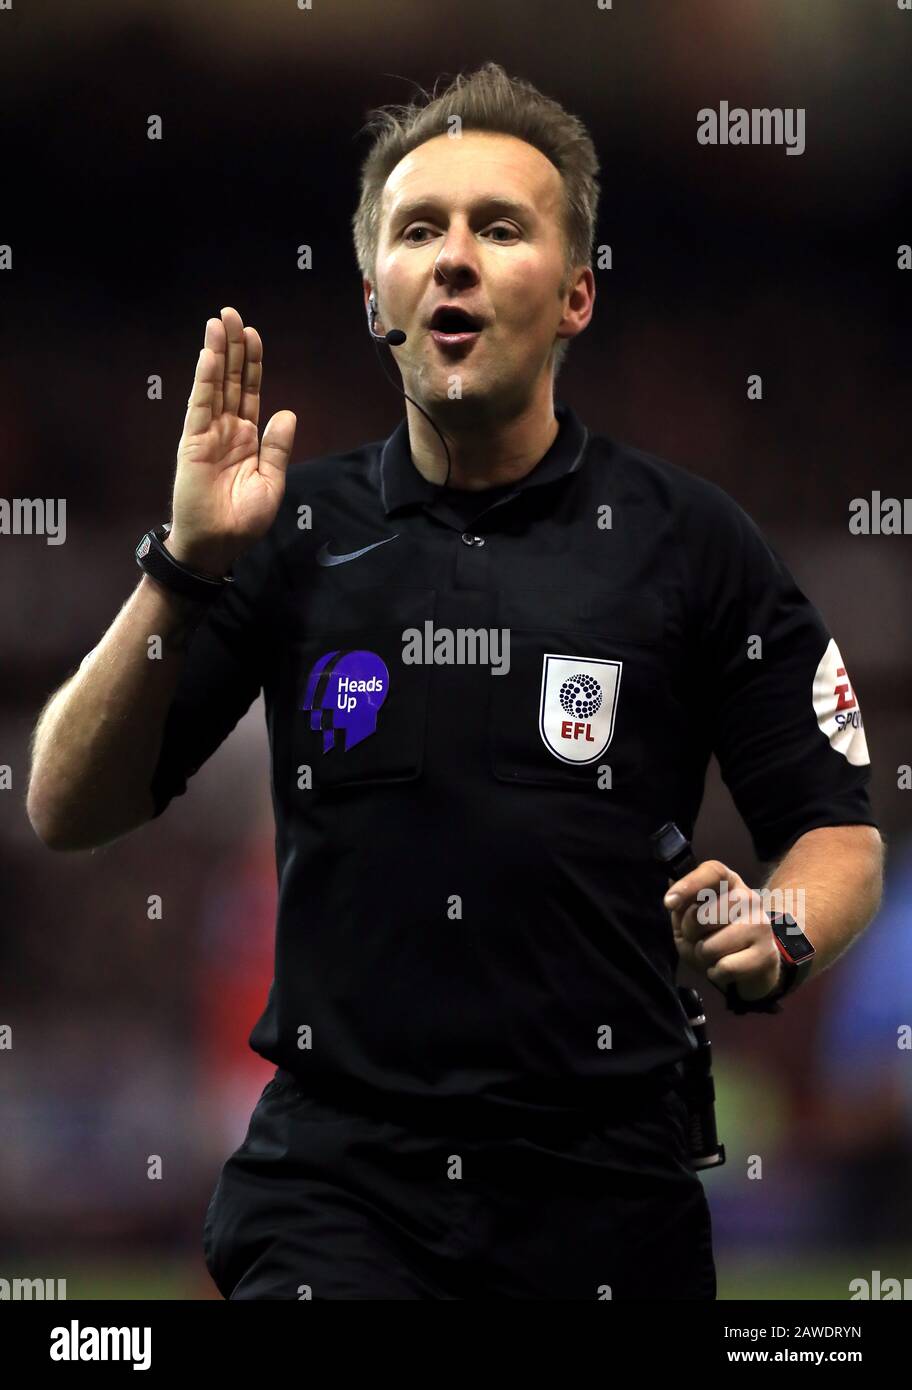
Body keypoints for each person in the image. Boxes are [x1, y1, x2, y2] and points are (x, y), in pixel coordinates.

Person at [26, 62, 883, 1300]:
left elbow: (837, 831)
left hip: (610, 1201)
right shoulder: (284, 532)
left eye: (500, 226)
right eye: (419, 229)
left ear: (577, 293)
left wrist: (785, 923)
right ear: (378, 293)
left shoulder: (695, 544)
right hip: (337, 1198)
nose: (454, 256)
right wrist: (182, 569)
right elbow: (65, 805)